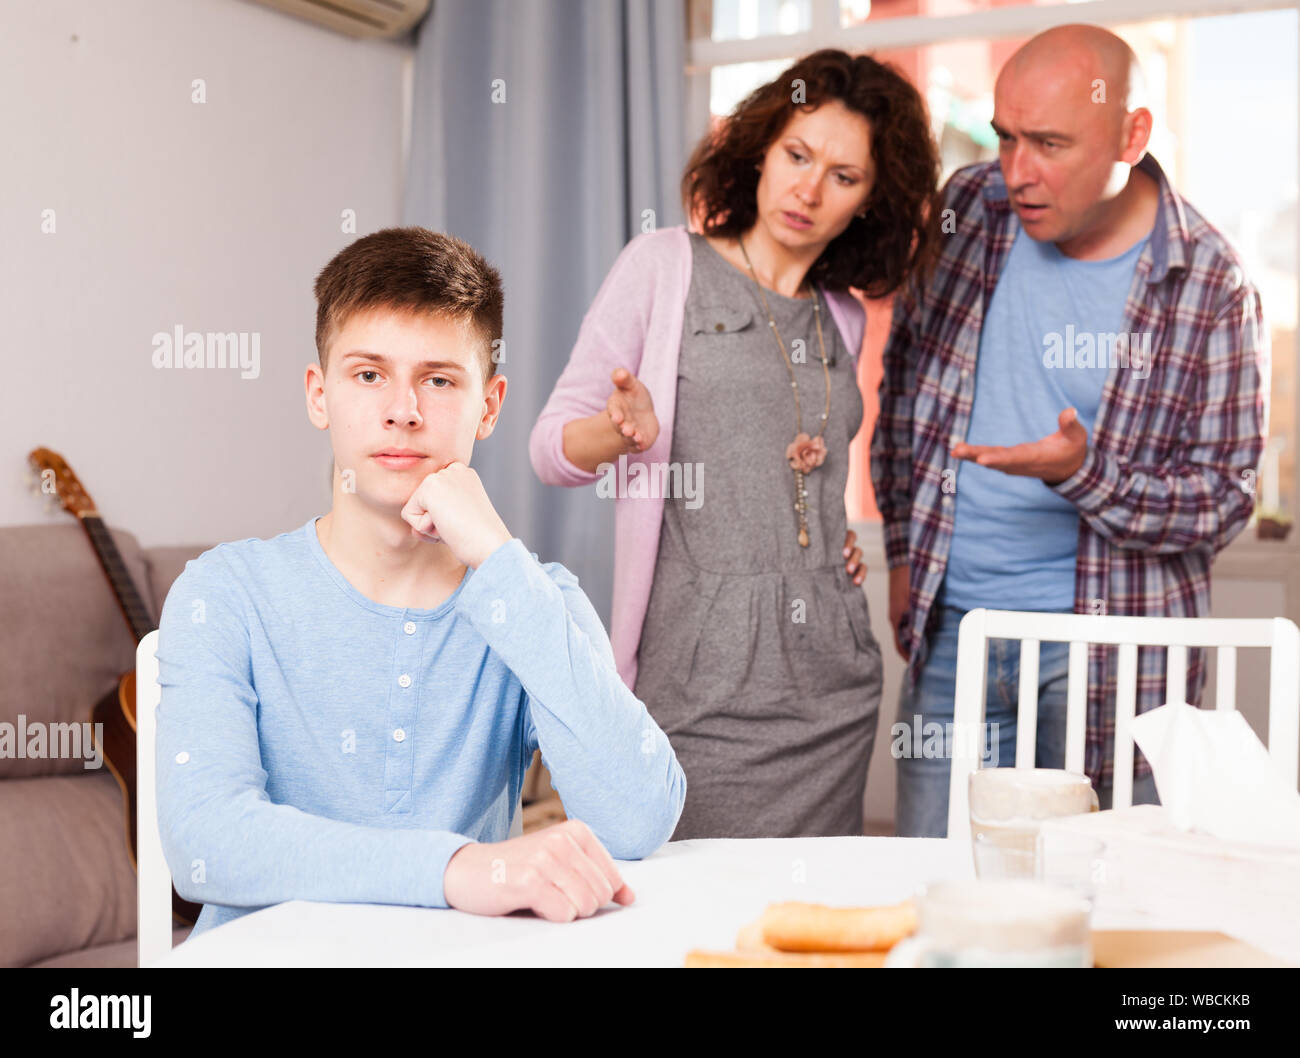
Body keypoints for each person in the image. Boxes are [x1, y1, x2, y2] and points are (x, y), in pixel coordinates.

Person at [155, 228, 686, 938]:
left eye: (438, 380)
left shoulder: (534, 595)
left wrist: (497, 558)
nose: (403, 410)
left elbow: (640, 818)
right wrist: (459, 869)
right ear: (320, 395)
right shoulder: (223, 592)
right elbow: (205, 844)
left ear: (490, 407)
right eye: (368, 374)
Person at [531, 50, 941, 839]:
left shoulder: (844, 317)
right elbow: (549, 450)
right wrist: (616, 436)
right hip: (695, 686)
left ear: (870, 201)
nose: (809, 190)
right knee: (683, 934)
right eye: (797, 155)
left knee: (802, 942)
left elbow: (804, 482)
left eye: (844, 176)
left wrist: (832, 549)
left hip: (830, 686)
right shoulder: (662, 267)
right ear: (759, 149)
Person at [872, 24, 1268, 837]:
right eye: (1006, 137)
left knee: (1104, 898)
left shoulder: (1212, 283)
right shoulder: (970, 209)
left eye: (1049, 143)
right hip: (958, 631)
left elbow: (1224, 500)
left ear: (1133, 134)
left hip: (1111, 654)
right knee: (936, 885)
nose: (1018, 172)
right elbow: (906, 380)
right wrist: (906, 554)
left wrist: (1084, 474)